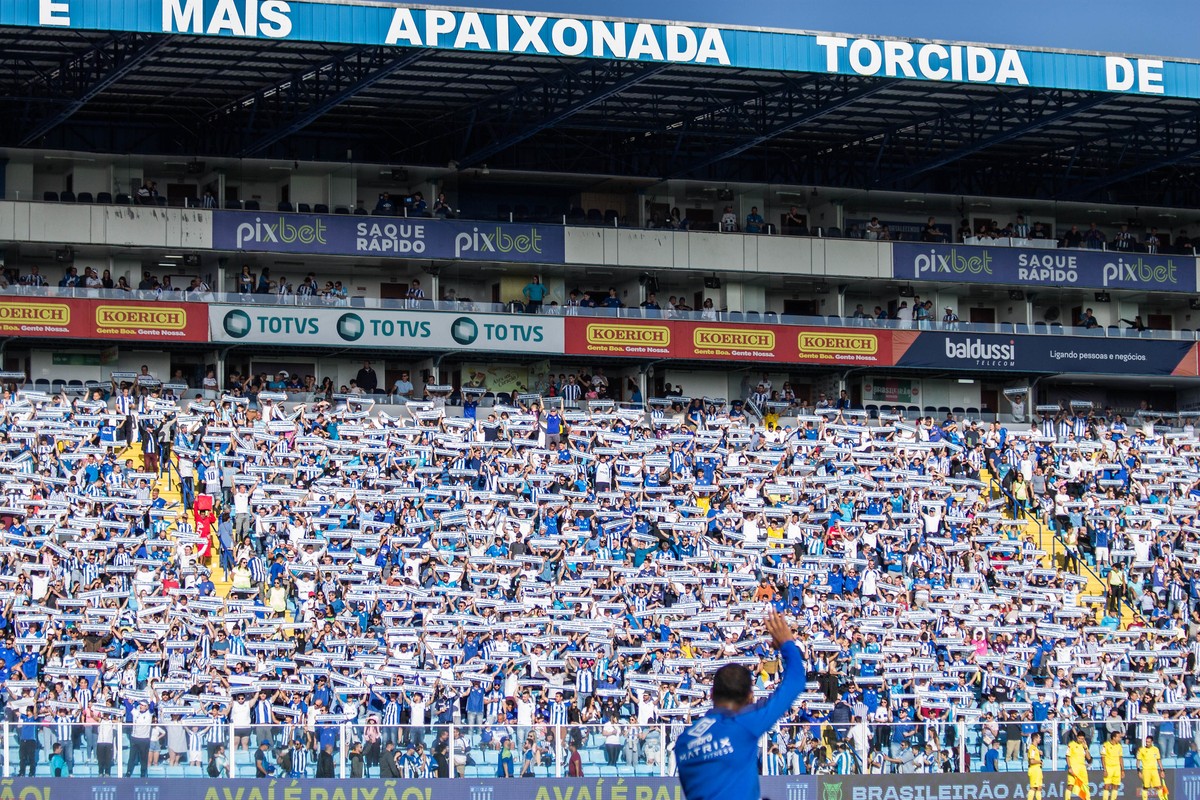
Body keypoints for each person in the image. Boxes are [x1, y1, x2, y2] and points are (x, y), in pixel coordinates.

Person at [676, 612, 805, 800]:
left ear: (711, 694)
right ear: (750, 698)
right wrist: (787, 644)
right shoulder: (743, 725)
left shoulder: (684, 741)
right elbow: (795, 681)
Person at [1065, 730, 1093, 800]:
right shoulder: (1071, 744)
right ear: (1076, 737)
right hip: (1073, 767)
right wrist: (1070, 767)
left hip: (1082, 769)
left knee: (1085, 786)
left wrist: (1085, 748)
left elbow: (1089, 758)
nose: (1081, 740)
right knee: (1070, 785)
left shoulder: (1084, 746)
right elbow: (1067, 756)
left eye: (1082, 739)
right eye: (1079, 738)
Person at [1137, 736, 1165, 800]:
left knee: (1158, 786)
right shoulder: (1142, 750)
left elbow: (1159, 760)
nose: (1147, 743)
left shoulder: (1156, 749)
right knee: (1146, 787)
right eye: (1146, 742)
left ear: (1152, 742)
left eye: (1149, 742)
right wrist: (1138, 771)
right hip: (1146, 770)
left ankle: (1162, 798)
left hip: (1154, 770)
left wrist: (1162, 770)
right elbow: (1138, 761)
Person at [1101, 731, 1123, 800]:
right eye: (1118, 737)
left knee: (1116, 786)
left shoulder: (1119, 746)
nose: (1120, 738)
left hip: (1117, 768)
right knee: (1106, 786)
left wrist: (1122, 770)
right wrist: (1104, 769)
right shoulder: (1106, 745)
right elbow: (1103, 758)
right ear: (1114, 737)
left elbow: (1120, 758)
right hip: (1108, 768)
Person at [1027, 733, 1044, 800]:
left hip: (1038, 769)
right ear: (1035, 739)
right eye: (1039, 738)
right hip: (1034, 770)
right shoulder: (1032, 748)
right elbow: (1032, 761)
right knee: (1033, 788)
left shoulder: (1035, 748)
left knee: (1039, 788)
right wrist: (1040, 761)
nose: (1040, 739)